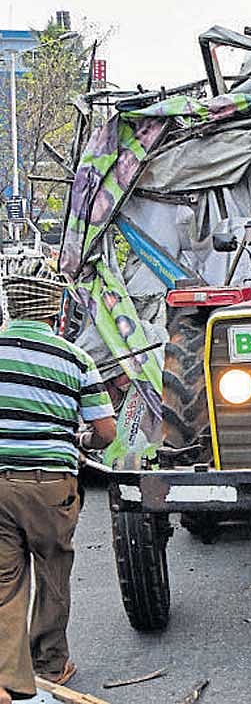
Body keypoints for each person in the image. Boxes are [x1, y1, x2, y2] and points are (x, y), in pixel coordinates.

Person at [0, 272, 116, 704]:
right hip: (51, 487)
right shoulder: (74, 359)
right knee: (53, 572)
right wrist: (80, 440)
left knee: (5, 581)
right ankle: (50, 664)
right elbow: (105, 431)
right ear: (54, 309)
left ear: (12, 306)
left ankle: (8, 678)